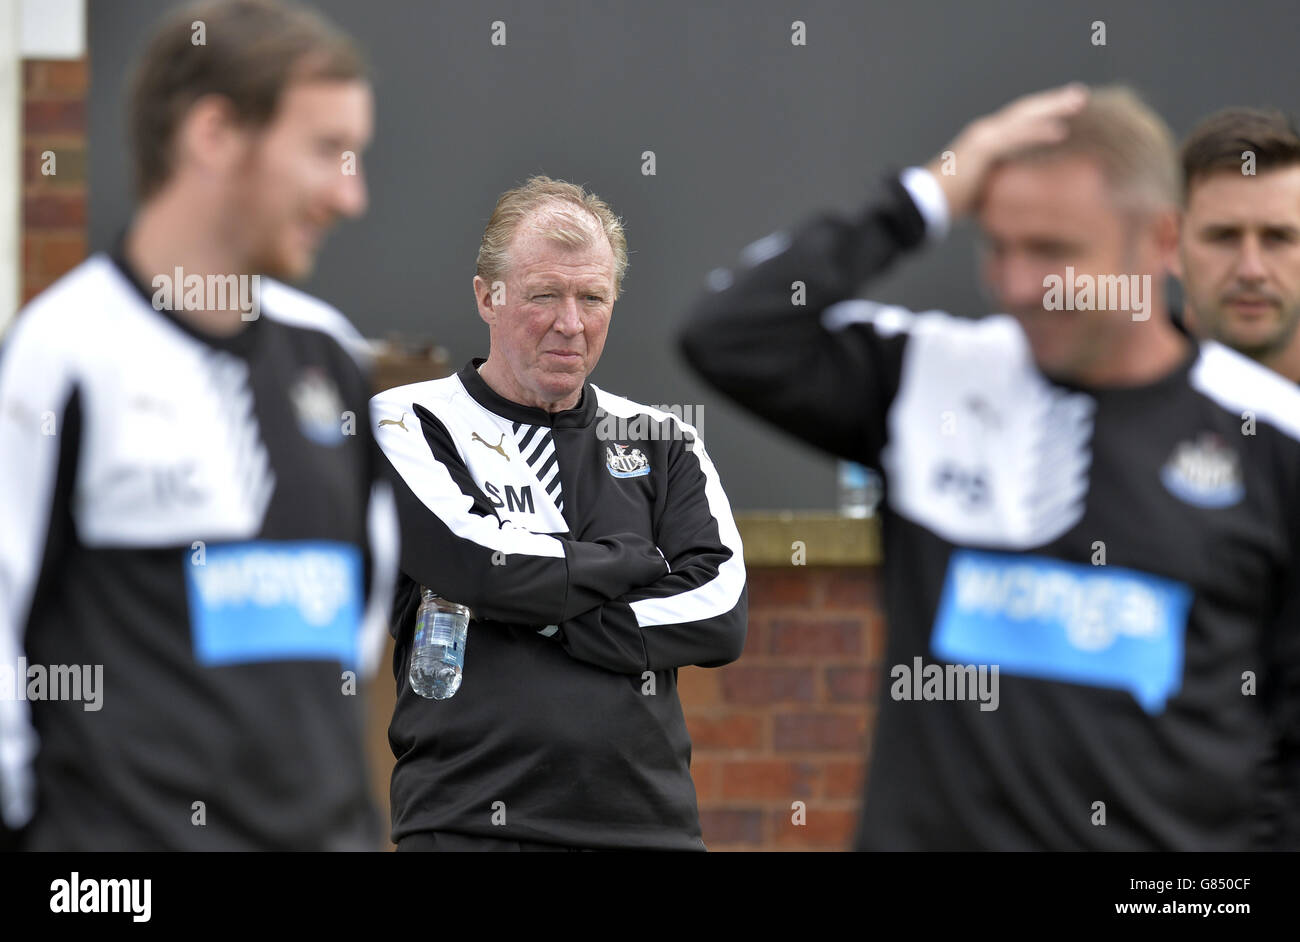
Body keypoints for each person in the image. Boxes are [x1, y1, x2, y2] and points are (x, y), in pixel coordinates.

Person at [679, 85, 1300, 850]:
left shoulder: (1272, 438)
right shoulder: (931, 376)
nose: (1016, 285)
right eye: (998, 246)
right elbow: (727, 332)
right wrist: (927, 194)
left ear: (1160, 242)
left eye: (1054, 252)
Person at [0, 0, 397, 850]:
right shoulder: (64, 352)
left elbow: (354, 635)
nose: (351, 196)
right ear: (214, 133)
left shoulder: (330, 356)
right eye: (326, 150)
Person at [372, 175, 747, 852]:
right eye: (545, 294)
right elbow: (476, 564)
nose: (570, 323)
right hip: (466, 824)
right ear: (488, 296)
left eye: (592, 297)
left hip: (649, 828)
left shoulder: (664, 440)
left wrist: (550, 614)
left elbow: (719, 613)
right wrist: (631, 564)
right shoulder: (410, 418)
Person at [1175, 107, 1300, 383]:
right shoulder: (1101, 413)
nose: (1251, 270)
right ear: (1170, 246)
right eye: (1224, 237)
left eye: (1278, 238)